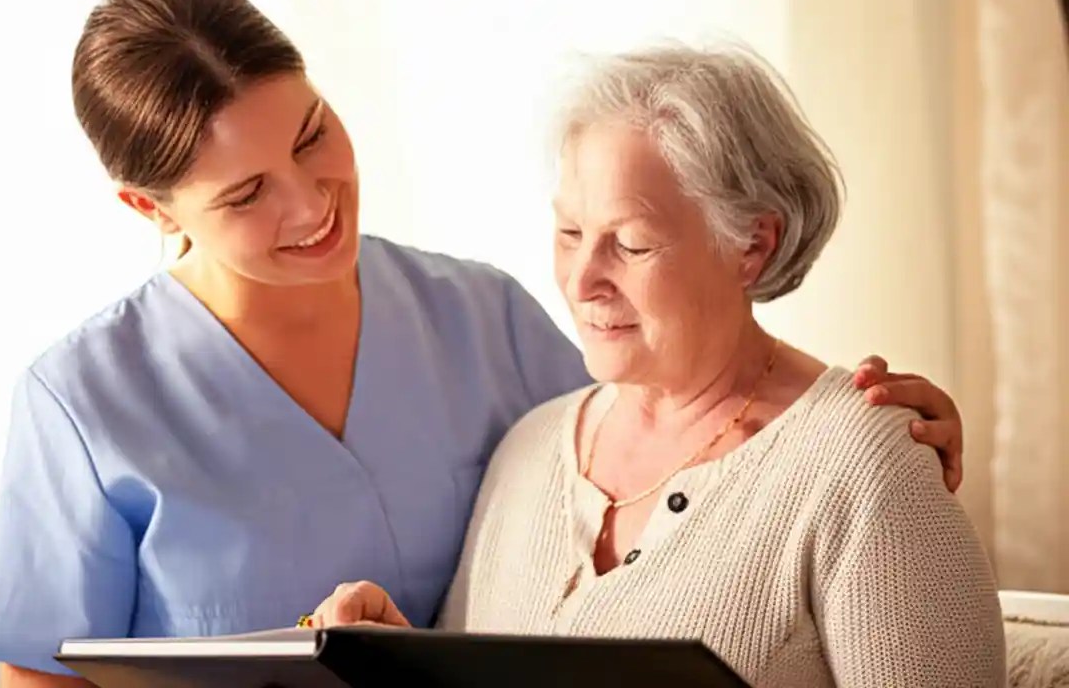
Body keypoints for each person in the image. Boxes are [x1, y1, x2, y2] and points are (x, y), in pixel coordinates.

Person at [0, 0, 970, 686]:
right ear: (153, 211)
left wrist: (868, 436)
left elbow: (677, 428)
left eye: (313, 135)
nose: (311, 203)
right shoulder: (83, 397)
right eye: (245, 193)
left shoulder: (478, 318)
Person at [309, 46, 1005, 686]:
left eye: (632, 245)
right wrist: (394, 666)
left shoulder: (868, 465)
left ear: (753, 245)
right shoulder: (527, 452)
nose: (583, 280)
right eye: (571, 233)